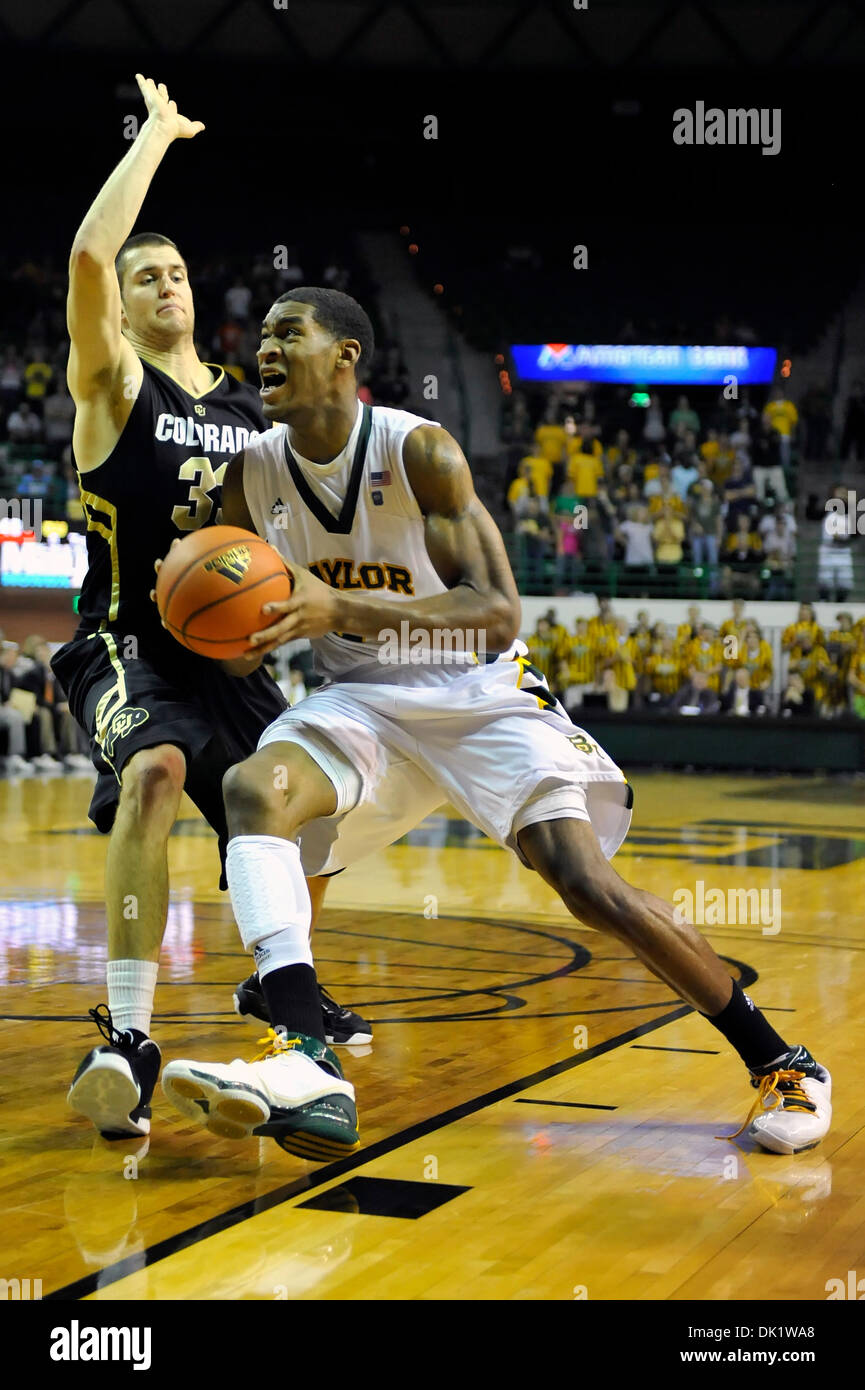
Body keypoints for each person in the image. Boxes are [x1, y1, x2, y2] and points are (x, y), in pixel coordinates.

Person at [159, 284, 832, 1161]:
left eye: (291, 333)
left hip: (479, 694)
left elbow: (497, 613)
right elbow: (250, 644)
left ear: (347, 355)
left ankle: (781, 1061)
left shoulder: (417, 452)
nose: (265, 350)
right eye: (263, 337)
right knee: (257, 788)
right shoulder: (252, 472)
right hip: (363, 700)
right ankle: (306, 1058)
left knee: (585, 885)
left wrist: (341, 610)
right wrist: (216, 627)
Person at [55, 76, 368, 1147]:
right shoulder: (111, 385)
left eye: (177, 271)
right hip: (127, 642)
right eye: (147, 276)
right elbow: (89, 260)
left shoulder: (250, 405)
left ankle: (274, 991)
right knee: (152, 771)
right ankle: (129, 1037)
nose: (164, 284)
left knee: (304, 807)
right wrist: (153, 139)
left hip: (232, 651)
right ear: (126, 303)